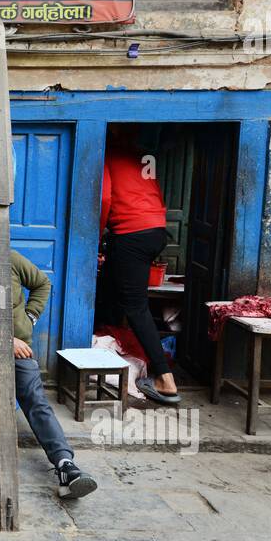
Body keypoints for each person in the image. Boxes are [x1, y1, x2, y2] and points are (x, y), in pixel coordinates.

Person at [0, 213, 97, 498]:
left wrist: (30, 316)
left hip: (18, 345)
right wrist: (4, 340)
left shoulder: (10, 261)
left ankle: (65, 464)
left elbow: (42, 284)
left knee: (34, 396)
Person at [98, 125, 177, 405]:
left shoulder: (105, 154)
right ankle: (110, 347)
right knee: (111, 288)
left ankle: (165, 379)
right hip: (155, 230)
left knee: (135, 306)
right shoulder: (142, 156)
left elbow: (105, 197)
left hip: (131, 233)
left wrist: (97, 237)